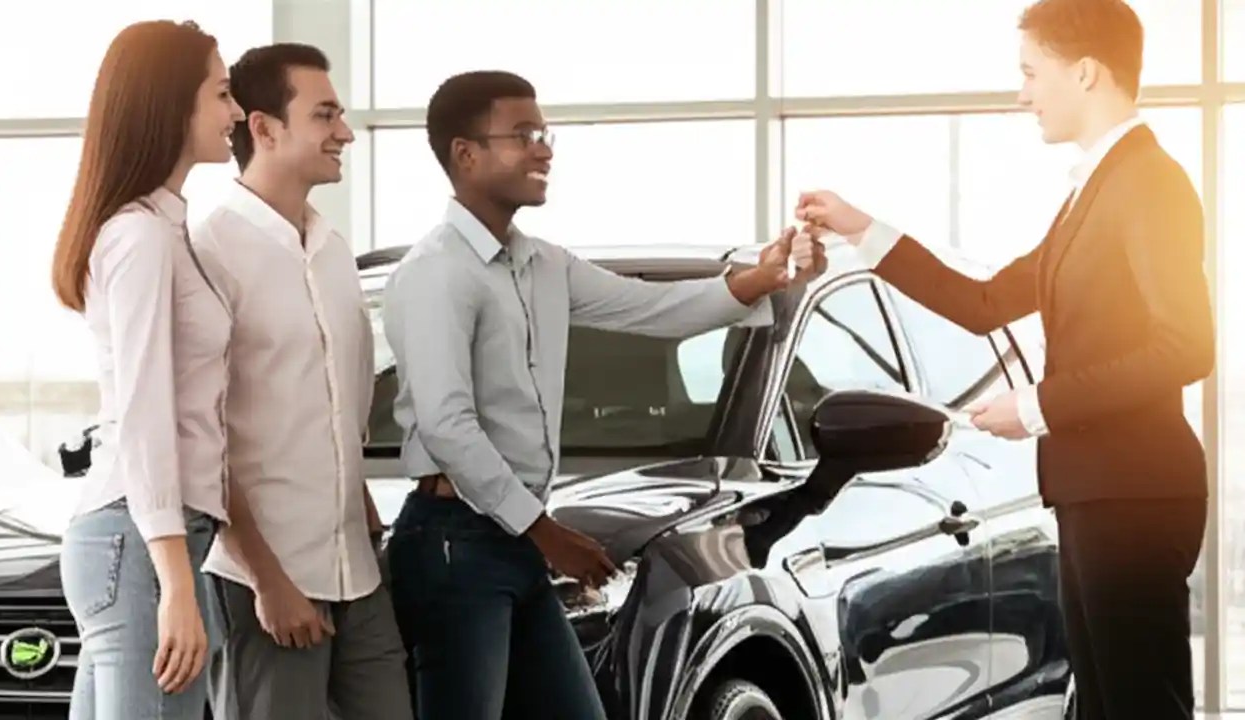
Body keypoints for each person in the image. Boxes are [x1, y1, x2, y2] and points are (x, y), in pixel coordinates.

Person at [795, 1, 1214, 718]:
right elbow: (984, 301)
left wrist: (1036, 405)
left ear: (1085, 73)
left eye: (1031, 73)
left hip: (1134, 495)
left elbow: (1187, 344)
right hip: (1098, 491)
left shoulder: (1149, 182)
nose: (1023, 95)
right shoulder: (1096, 189)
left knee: (1140, 705)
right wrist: (859, 227)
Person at [382, 69, 827, 720]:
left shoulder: (543, 263)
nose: (543, 150)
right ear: (466, 154)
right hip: (456, 543)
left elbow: (653, 309)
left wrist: (762, 277)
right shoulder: (436, 272)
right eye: (523, 135)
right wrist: (546, 533)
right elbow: (448, 428)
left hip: (513, 539)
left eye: (545, 134)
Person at [190, 43, 412, 720]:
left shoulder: (333, 249)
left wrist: (363, 510)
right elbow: (200, 436)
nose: (345, 132)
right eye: (325, 115)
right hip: (266, 578)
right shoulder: (210, 250)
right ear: (263, 128)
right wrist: (266, 579)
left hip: (355, 566)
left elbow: (337, 403)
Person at [51, 19, 244, 720]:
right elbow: (144, 415)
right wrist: (176, 582)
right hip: (140, 545)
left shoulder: (165, 229)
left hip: (141, 541)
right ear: (171, 106)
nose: (236, 112)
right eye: (221, 94)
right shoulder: (140, 237)